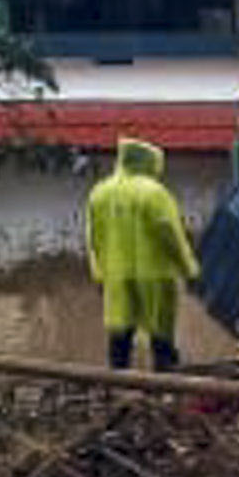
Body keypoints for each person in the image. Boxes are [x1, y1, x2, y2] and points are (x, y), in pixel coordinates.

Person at [82, 135, 200, 372]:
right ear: (150, 162)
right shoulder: (154, 192)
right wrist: (189, 269)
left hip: (115, 274)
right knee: (160, 331)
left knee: (120, 329)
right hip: (155, 273)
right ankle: (164, 382)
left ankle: (116, 382)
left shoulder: (99, 192)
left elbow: (92, 238)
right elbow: (170, 233)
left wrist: (98, 274)